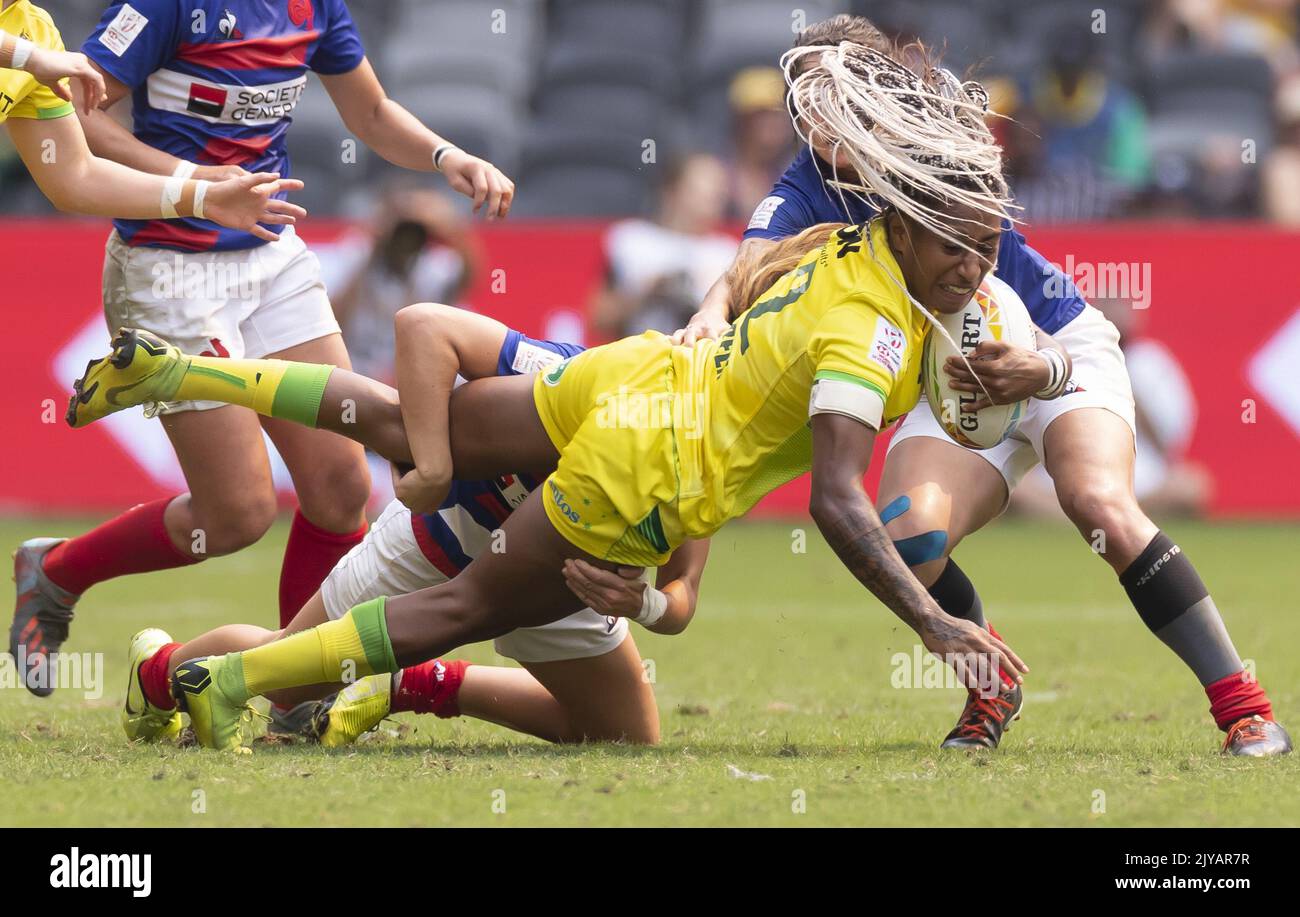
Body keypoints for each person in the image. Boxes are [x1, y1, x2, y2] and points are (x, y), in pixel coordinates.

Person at [70, 47, 1032, 753]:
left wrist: (648, 594)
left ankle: (181, 376)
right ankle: (227, 677)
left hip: (630, 381)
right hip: (629, 469)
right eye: (956, 245)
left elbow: (688, 563)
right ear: (903, 222)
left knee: (410, 433)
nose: (973, 267)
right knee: (462, 606)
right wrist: (935, 621)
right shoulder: (872, 331)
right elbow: (834, 495)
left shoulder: (836, 246)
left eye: (986, 250)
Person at [675, 15, 1290, 756]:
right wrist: (712, 312)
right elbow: (753, 259)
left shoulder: (937, 155)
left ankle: (1246, 708)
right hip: (957, 376)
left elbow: (1004, 275)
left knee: (1097, 503)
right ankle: (991, 681)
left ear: (871, 92)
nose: (808, 115)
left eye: (824, 94)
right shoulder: (811, 177)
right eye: (801, 97)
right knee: (907, 535)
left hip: (1053, 349)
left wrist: (1046, 369)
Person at [10, 0, 515, 706]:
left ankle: (295, 693)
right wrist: (201, 186)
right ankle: (57, 571)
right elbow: (83, 115)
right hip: (170, 264)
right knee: (237, 515)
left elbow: (369, 113)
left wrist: (446, 156)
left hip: (271, 255)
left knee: (341, 488)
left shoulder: (316, 8)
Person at [118, 306, 707, 749]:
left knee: (625, 740)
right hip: (440, 544)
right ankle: (157, 671)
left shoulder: (706, 458)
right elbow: (423, 326)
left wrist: (644, 603)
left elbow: (683, 599)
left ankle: (415, 684)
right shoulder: (576, 377)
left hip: (562, 587)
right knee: (285, 684)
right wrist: (433, 466)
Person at [1, 1, 305, 236]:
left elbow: (76, 178)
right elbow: (32, 57)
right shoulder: (38, 55)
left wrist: (202, 196)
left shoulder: (37, 31)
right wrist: (30, 58)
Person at [586, 152, 736, 340]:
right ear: (671, 189)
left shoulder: (727, 252)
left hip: (699, 360)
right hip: (641, 356)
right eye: (703, 186)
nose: (714, 195)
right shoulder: (631, 240)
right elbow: (599, 317)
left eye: (720, 188)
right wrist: (650, 293)